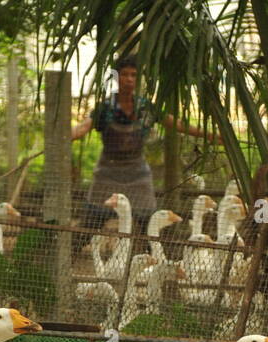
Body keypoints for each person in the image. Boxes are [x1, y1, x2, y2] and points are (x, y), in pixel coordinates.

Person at [71, 57, 221, 232]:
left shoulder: (145, 108)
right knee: (91, 222)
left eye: (133, 75)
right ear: (116, 78)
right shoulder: (104, 108)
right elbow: (83, 128)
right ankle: (69, 255)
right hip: (106, 173)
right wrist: (60, 137)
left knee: (148, 224)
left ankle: (151, 257)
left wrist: (212, 136)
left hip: (138, 175)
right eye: (124, 74)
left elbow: (177, 124)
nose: (129, 79)